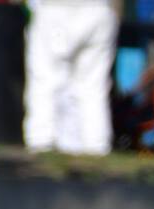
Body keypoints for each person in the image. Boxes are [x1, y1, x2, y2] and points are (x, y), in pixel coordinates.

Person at [24, 0, 120, 156]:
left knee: (45, 82)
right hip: (98, 9)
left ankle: (41, 144)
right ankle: (97, 148)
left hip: (55, 9)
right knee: (92, 88)